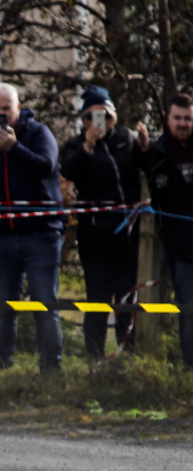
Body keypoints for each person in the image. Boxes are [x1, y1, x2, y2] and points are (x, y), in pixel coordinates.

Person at [0, 82, 64, 373]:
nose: (1, 115)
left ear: (18, 108)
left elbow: (46, 166)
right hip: (4, 237)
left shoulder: (38, 133)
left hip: (41, 234)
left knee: (44, 306)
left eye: (6, 109)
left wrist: (14, 147)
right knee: (2, 310)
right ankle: (1, 369)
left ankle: (51, 370)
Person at [61, 87, 142, 361]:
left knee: (127, 298)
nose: (100, 122)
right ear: (83, 119)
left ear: (114, 116)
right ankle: (93, 359)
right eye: (91, 116)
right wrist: (88, 146)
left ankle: (126, 356)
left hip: (129, 234)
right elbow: (69, 172)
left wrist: (144, 146)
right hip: (95, 234)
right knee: (97, 298)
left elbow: (149, 166)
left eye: (105, 115)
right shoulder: (75, 145)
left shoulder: (128, 139)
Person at [137, 93, 193, 368]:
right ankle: (190, 368)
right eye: (178, 118)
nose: (183, 123)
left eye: (188, 118)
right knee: (189, 308)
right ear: (167, 120)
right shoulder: (156, 155)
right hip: (180, 246)